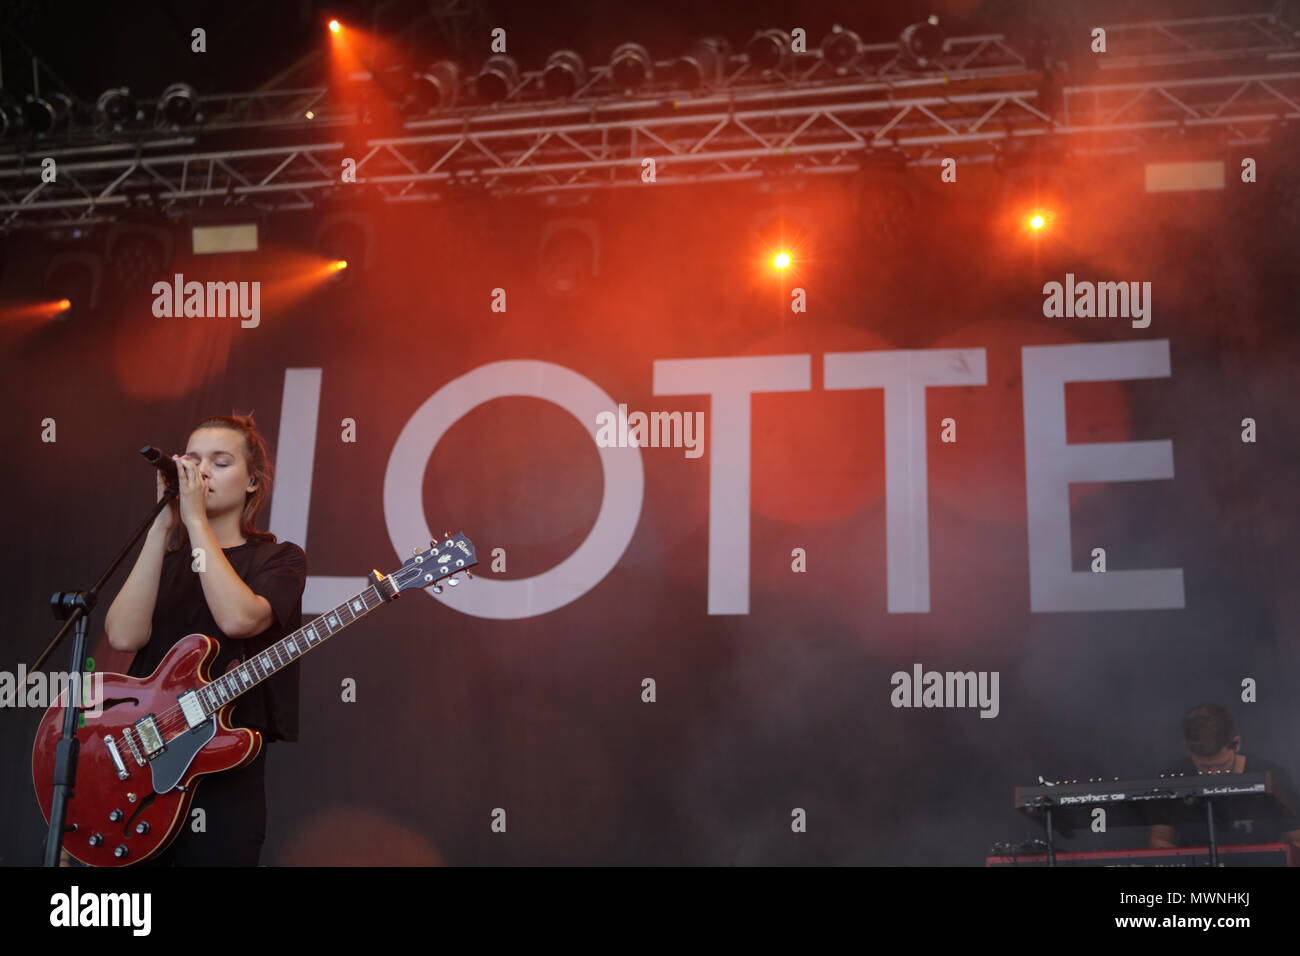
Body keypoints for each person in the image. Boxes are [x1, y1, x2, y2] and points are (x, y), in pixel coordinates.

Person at [96, 412, 307, 866]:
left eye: (221, 461)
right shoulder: (168, 559)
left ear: (253, 482)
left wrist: (196, 522)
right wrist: (163, 526)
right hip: (145, 769)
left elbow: (238, 620)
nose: (202, 471)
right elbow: (122, 633)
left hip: (223, 779)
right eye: (193, 459)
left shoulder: (280, 559)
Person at [1148, 703, 1300, 851]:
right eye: (1204, 767)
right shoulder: (1174, 775)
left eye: (1222, 765)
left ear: (1237, 744)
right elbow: (1160, 839)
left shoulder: (1271, 776)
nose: (1213, 773)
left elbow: (1297, 838)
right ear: (1188, 749)